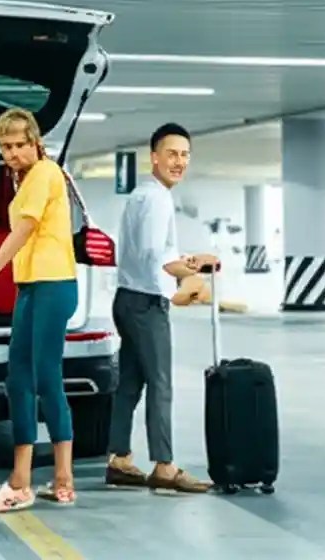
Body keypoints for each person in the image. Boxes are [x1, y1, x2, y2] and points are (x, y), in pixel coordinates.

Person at [0, 108, 79, 512]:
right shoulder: (21, 179)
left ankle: (63, 478)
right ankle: (21, 479)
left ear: (35, 143)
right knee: (18, 377)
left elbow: (23, 231)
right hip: (30, 286)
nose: (11, 153)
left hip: (54, 284)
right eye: (4, 147)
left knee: (46, 374)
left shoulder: (45, 172)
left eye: (18, 145)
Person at [105, 122, 215, 493]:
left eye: (185, 155)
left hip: (128, 297)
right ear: (154, 157)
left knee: (131, 383)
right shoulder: (156, 198)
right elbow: (155, 258)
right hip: (146, 303)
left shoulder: (142, 195)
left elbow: (155, 252)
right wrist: (188, 282)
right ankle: (164, 467)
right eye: (171, 153)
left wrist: (192, 263)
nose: (179, 161)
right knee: (161, 384)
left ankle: (119, 459)